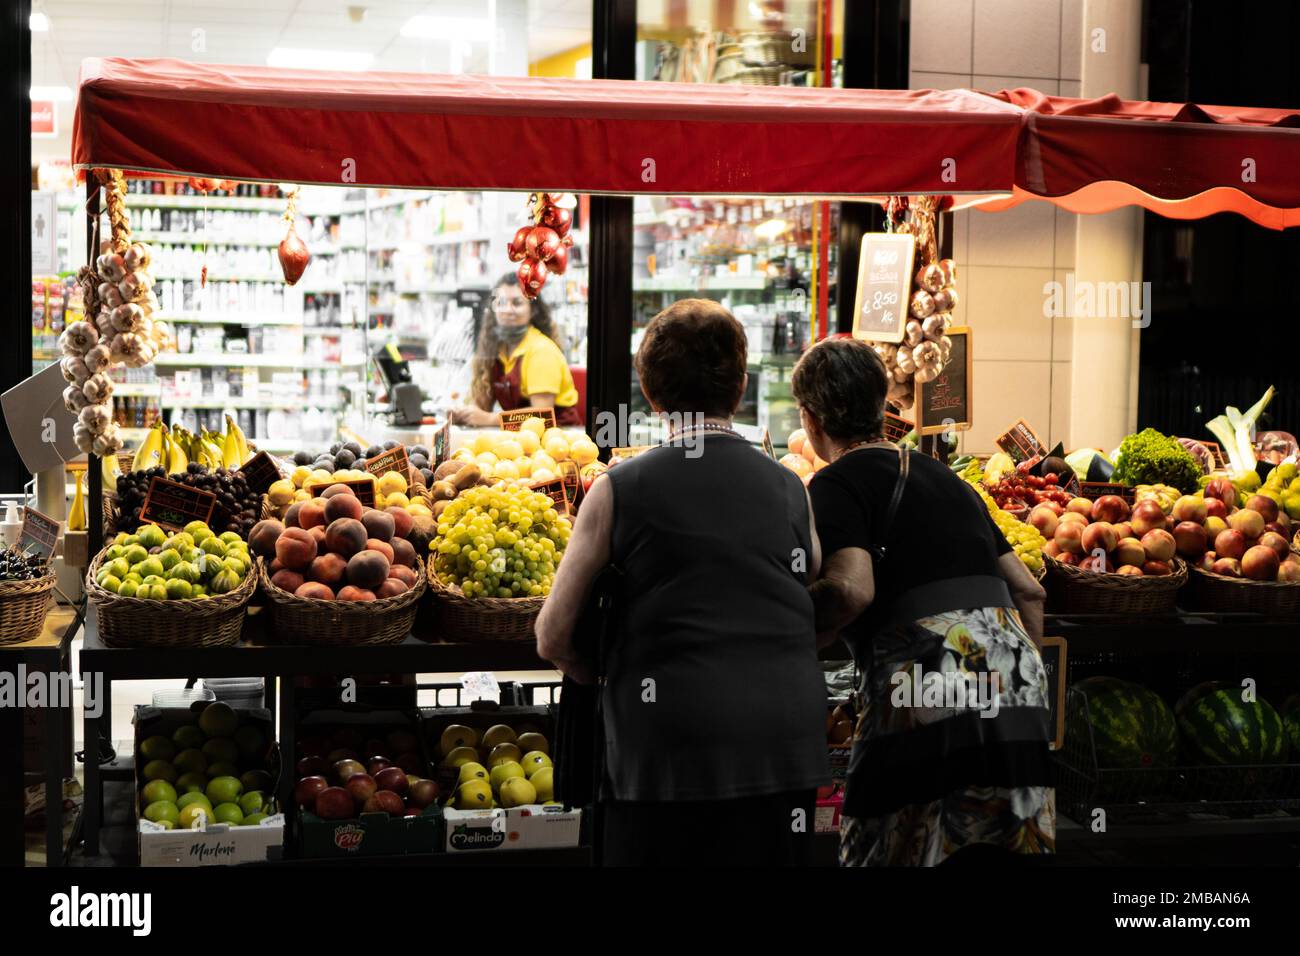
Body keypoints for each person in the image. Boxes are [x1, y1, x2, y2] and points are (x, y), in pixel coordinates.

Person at [535, 298, 830, 866]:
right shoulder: (791, 489)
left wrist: (603, 670)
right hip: (781, 748)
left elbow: (552, 636)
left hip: (664, 753)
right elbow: (808, 575)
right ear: (740, 386)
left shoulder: (619, 489)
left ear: (650, 392)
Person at [790, 337, 1054, 868]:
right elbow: (1030, 591)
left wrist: (782, 620)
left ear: (812, 419)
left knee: (889, 849)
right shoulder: (946, 479)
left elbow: (851, 589)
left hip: (930, 684)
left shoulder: (835, 483)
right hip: (1020, 685)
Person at [450, 273, 581, 427]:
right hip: (522, 439)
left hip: (558, 440)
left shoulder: (542, 351)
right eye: (501, 303)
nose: (508, 310)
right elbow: (481, 405)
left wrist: (490, 419)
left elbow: (542, 417)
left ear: (532, 310)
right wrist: (465, 414)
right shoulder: (495, 350)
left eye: (517, 303)